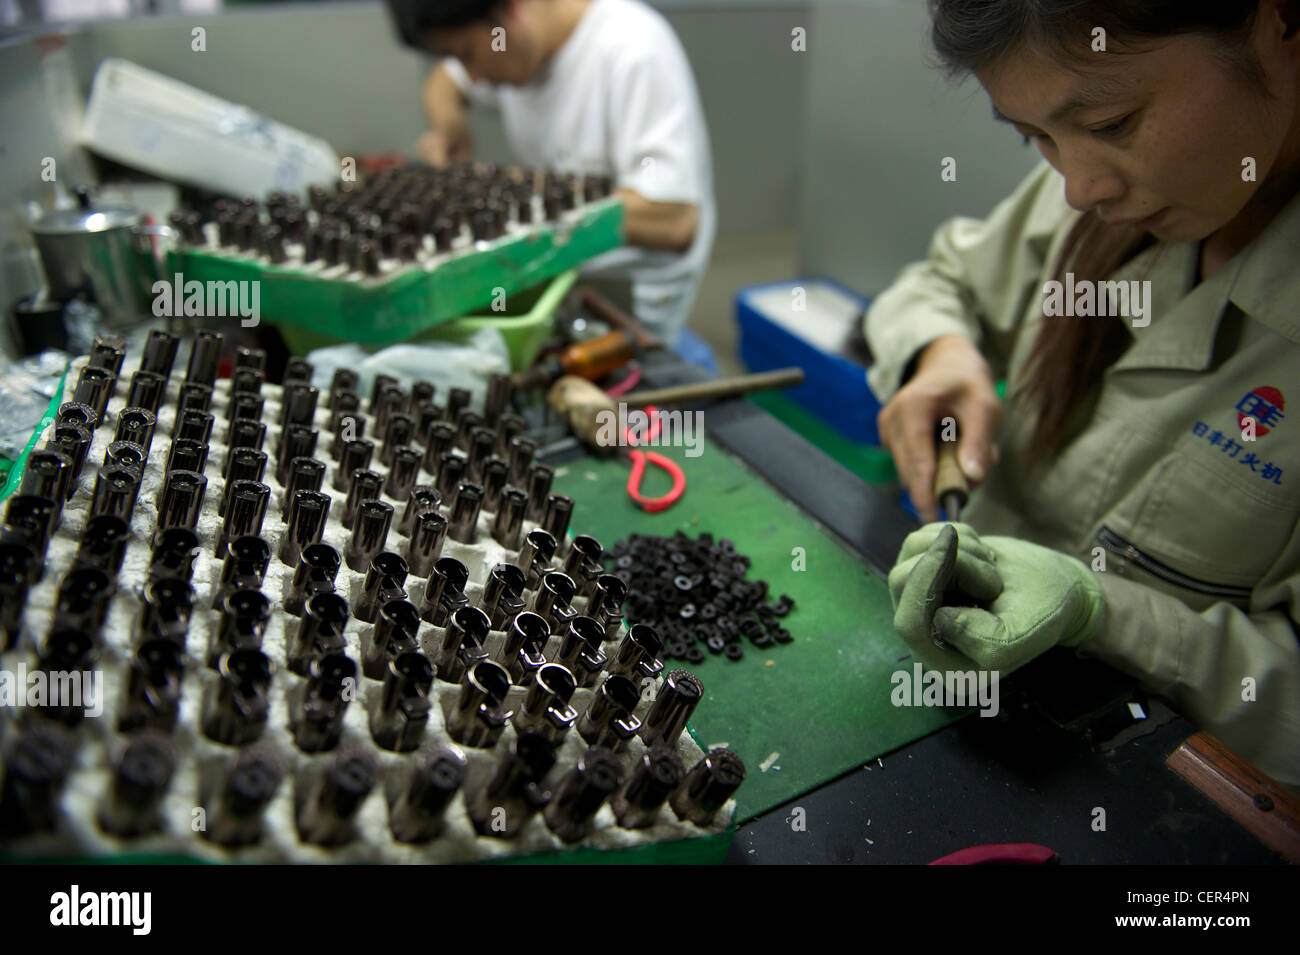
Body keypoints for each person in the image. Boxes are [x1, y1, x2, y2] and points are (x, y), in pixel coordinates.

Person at [869, 0, 1300, 788]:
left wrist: (1104, 615)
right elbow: (942, 279)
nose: (1075, 187)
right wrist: (940, 354)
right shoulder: (1108, 195)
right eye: (1031, 136)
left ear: (1279, 25)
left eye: (1112, 121)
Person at [385, 0, 715, 347]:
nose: (472, 76)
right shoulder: (508, 43)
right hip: (559, 275)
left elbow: (675, 220)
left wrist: (518, 199)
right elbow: (444, 81)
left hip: (630, 303)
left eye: (467, 54)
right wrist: (449, 124)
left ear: (512, 9)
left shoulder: (633, 51)